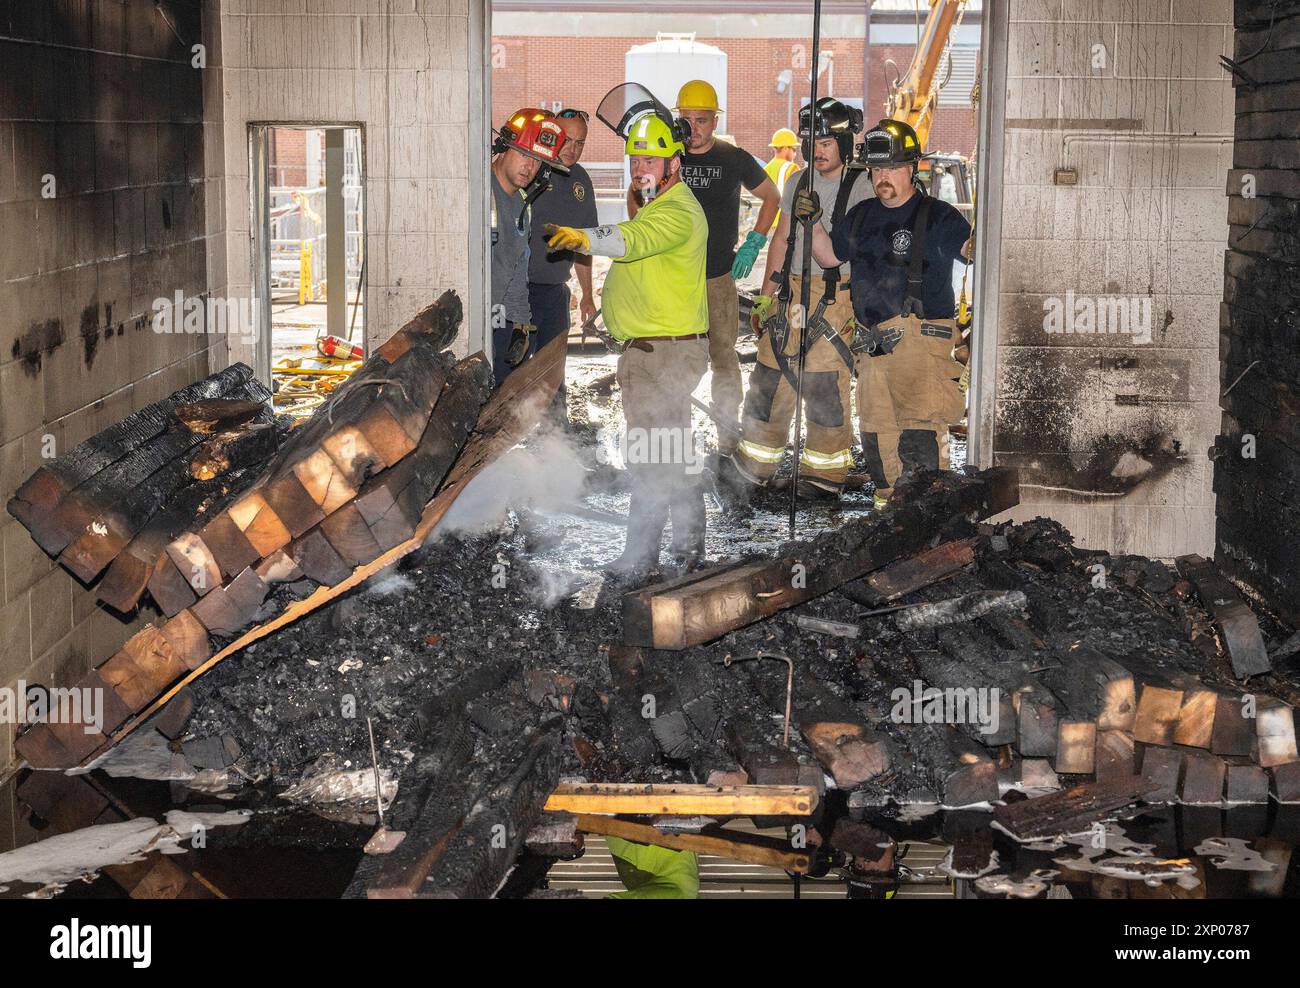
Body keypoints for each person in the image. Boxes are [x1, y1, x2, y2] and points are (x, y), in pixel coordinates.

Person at [547, 109, 710, 575]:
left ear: (674, 164)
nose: (641, 169)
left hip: (664, 353)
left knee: (651, 456)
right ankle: (687, 551)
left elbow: (633, 240)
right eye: (635, 160)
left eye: (651, 161)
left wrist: (583, 236)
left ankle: (642, 560)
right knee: (671, 452)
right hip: (657, 351)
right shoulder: (660, 204)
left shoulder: (677, 211)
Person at [798, 118, 972, 507]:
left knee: (920, 432)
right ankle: (889, 517)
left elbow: (976, 253)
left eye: (892, 168)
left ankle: (929, 519)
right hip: (872, 343)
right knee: (876, 435)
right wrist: (811, 223)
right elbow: (828, 257)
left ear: (912, 168)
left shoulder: (940, 216)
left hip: (921, 339)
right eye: (877, 170)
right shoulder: (861, 216)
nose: (883, 177)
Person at [728, 97, 871, 500]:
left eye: (826, 141)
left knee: (824, 386)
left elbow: (855, 251)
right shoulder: (796, 181)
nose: (818, 150)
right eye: (811, 141)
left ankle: (822, 477)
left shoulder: (861, 184)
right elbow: (783, 236)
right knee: (770, 378)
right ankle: (754, 465)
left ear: (844, 143)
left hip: (835, 295)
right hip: (791, 292)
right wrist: (767, 295)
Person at [628, 80, 780, 452]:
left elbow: (772, 197)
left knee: (723, 355)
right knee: (669, 353)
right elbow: (637, 204)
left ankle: (727, 434)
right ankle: (669, 435)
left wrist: (754, 241)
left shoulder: (733, 157)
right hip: (672, 281)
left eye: (702, 119)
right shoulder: (666, 155)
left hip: (715, 277)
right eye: (687, 118)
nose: (694, 127)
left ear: (715, 120)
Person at [525, 107, 599, 422]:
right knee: (513, 367)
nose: (572, 148)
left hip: (555, 293)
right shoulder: (529, 168)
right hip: (517, 292)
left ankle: (555, 436)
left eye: (579, 142)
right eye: (566, 140)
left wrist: (587, 294)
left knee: (553, 372)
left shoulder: (581, 180)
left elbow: (584, 244)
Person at [489, 108, 567, 387]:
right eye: (524, 154)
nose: (529, 168)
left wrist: (520, 325)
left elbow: (517, 270)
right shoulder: (480, 193)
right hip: (471, 319)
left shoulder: (523, 204)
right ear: (504, 147)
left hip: (499, 319)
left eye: (537, 161)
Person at [763, 127, 803, 231]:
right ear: (785, 148)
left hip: (769, 220)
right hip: (785, 221)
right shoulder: (791, 168)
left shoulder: (766, 168)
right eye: (793, 149)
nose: (795, 153)